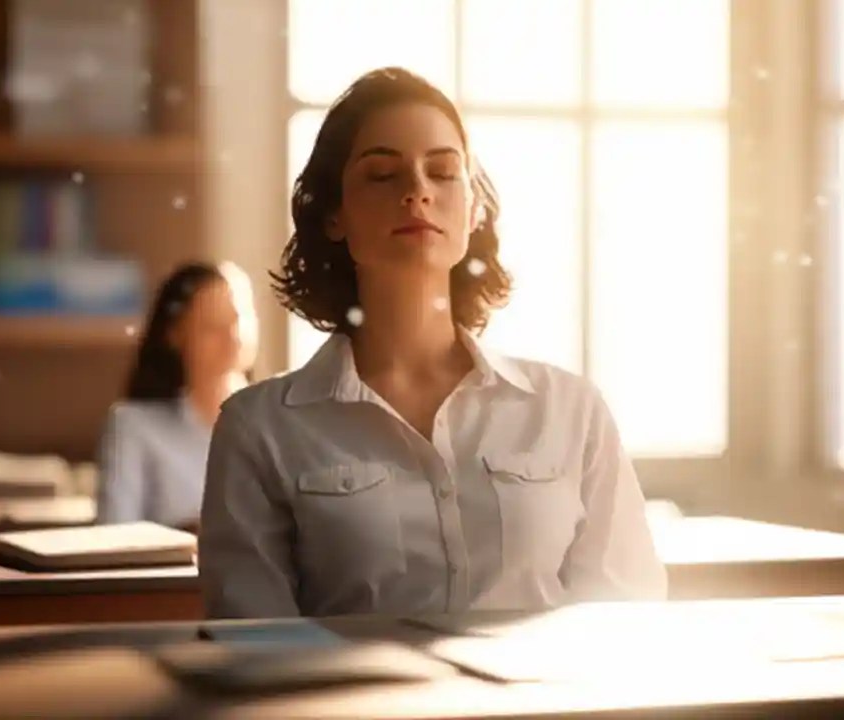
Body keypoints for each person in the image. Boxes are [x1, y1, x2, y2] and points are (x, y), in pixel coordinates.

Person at [200, 67, 665, 618]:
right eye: (382, 174)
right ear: (333, 215)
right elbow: (257, 639)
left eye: (443, 171)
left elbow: (623, 613)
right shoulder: (260, 429)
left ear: (474, 210)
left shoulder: (569, 409)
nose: (417, 191)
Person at [96, 261, 258, 530]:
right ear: (174, 334)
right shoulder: (133, 425)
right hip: (174, 570)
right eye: (212, 327)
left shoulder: (279, 421)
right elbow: (114, 533)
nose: (232, 337)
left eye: (238, 320)